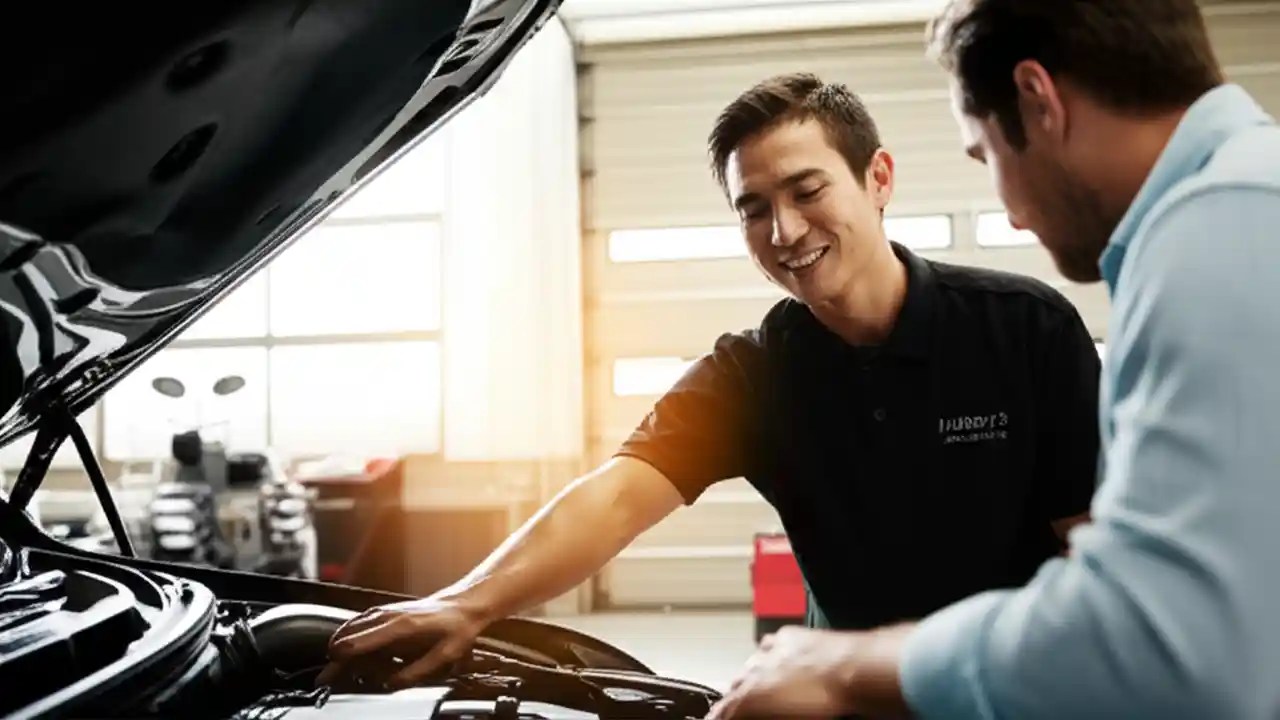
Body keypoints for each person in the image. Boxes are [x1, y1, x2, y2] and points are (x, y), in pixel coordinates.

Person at [315, 72, 1102, 693]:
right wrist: (466, 602)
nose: (784, 232)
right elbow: (617, 496)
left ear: (879, 177)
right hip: (850, 693)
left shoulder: (1024, 329)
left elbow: (1092, 552)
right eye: (752, 208)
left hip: (1016, 687)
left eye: (807, 191)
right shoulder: (755, 373)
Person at [705, 1, 1280, 719]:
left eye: (988, 156)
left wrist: (850, 667)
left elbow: (1167, 642)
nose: (1010, 212)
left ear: (1039, 102)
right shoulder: (1248, 203)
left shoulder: (1211, 240)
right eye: (754, 208)